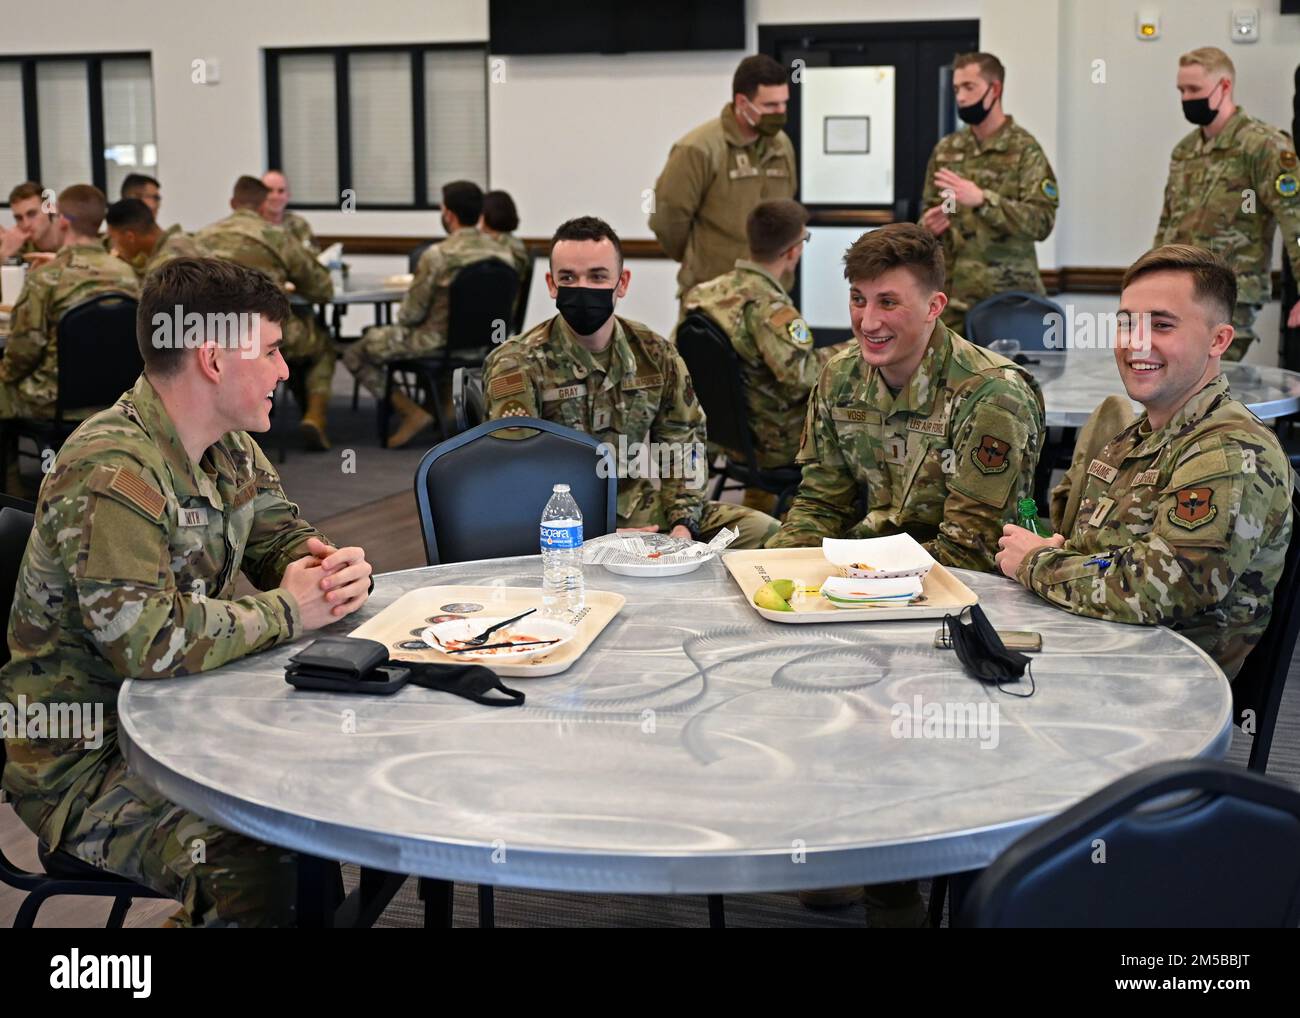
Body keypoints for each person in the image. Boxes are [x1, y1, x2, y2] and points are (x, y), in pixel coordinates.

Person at [0, 257, 374, 926]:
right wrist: (290, 608)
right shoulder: (110, 468)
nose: (286, 369)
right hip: (89, 763)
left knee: (329, 794)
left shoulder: (226, 445)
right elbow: (148, 642)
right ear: (213, 360)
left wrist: (330, 571)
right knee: (258, 855)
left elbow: (281, 537)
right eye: (271, 351)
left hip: (183, 717)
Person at [996, 244, 1291, 681]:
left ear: (1219, 340)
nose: (1136, 342)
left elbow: (1157, 590)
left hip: (1155, 686)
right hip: (1094, 646)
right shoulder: (1142, 434)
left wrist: (1036, 563)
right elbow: (1096, 553)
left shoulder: (1229, 452)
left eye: (1163, 325)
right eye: (1127, 323)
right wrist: (1060, 555)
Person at [482, 215, 780, 548]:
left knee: (765, 534)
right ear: (552, 285)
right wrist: (596, 535)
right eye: (569, 277)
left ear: (622, 282)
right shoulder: (518, 364)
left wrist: (683, 525)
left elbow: (683, 445)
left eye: (597, 277)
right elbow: (514, 476)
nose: (582, 288)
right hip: (558, 522)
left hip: (642, 511)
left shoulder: (654, 353)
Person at [768, 222, 1045, 571]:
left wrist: (856, 570)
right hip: (861, 573)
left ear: (934, 306)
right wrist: (781, 566)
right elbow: (822, 505)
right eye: (858, 299)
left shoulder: (993, 395)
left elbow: (971, 549)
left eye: (888, 303)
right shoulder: (839, 377)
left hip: (959, 587)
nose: (867, 323)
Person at [681, 198, 850, 512]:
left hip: (725, 436)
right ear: (793, 250)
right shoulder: (770, 309)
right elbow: (801, 378)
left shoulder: (703, 294)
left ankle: (759, 500)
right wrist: (853, 349)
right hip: (773, 443)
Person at [343, 180, 515, 449]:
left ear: (448, 214)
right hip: (485, 347)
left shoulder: (437, 256)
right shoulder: (504, 253)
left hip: (436, 344)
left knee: (355, 352)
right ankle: (441, 408)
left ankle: (411, 412)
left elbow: (410, 315)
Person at [1153, 46, 1300, 361]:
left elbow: (1295, 219)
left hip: (1233, 291)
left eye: (1194, 89)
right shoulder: (1185, 150)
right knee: (1175, 386)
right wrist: (1151, 279)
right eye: (1181, 90)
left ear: (1224, 87)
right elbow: (1168, 222)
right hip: (1178, 291)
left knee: (1206, 385)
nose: (1186, 98)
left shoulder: (1263, 145)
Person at [919, 52, 1058, 332]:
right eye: (957, 88)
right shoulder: (947, 150)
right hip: (952, 300)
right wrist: (927, 226)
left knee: (1007, 377)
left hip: (1007, 301)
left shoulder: (1024, 150)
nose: (960, 97)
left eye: (969, 87)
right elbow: (929, 209)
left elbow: (1041, 222)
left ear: (995, 89)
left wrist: (983, 201)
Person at [196, 175, 336, 450]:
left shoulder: (202, 237)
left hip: (214, 336)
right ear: (263, 206)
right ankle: (315, 416)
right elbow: (322, 288)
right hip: (267, 335)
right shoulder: (276, 236)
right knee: (322, 343)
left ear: (233, 203)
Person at [649, 54, 797, 314]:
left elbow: (788, 211)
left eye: (784, 104)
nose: (781, 113)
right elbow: (666, 219)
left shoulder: (781, 146)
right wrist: (698, 260)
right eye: (771, 106)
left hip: (771, 296)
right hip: (713, 300)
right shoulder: (698, 149)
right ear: (742, 102)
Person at [0, 185, 139, 425]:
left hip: (55, 400)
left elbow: (22, 353)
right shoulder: (127, 274)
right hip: (117, 396)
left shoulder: (46, 277)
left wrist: (4, 373)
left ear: (62, 220)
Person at [105, 197, 205, 278]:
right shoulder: (184, 241)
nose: (114, 246)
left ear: (130, 237)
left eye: (113, 238)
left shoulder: (162, 267)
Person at [0, 181, 64, 262]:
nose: (26, 224)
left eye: (32, 214)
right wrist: (3, 254)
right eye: (19, 218)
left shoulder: (73, 237)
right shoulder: (20, 245)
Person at [262, 169, 320, 253]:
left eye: (281, 191)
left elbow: (313, 256)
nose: (275, 196)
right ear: (259, 194)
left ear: (288, 195)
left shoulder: (299, 224)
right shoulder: (251, 224)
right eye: (269, 190)